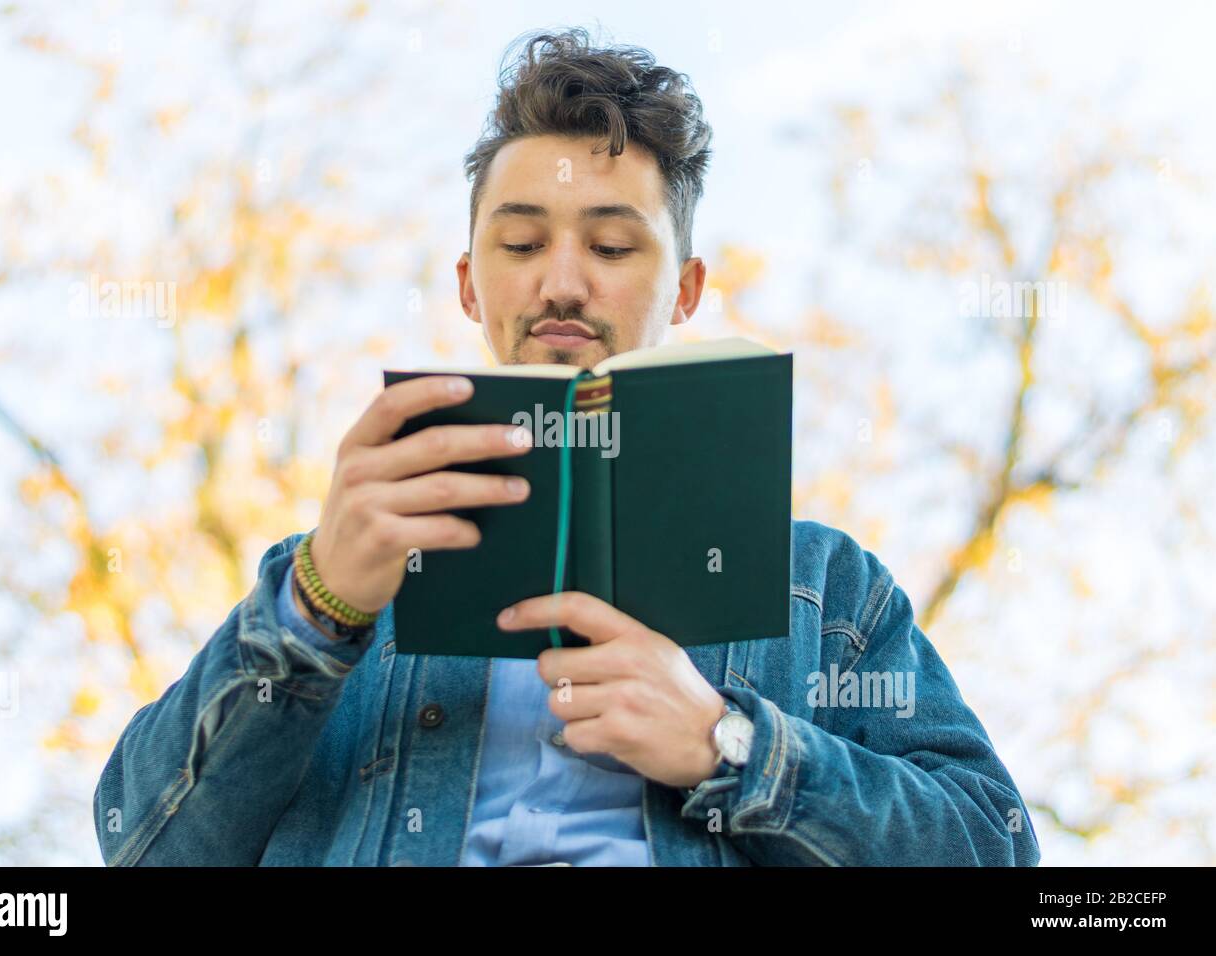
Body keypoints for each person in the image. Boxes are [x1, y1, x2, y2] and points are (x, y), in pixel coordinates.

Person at [94, 28, 1040, 867]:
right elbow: (143, 844)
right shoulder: (346, 570)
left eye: (615, 248)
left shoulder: (821, 588)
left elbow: (993, 848)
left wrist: (728, 743)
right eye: (520, 244)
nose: (562, 284)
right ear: (470, 287)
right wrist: (317, 608)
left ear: (686, 290)